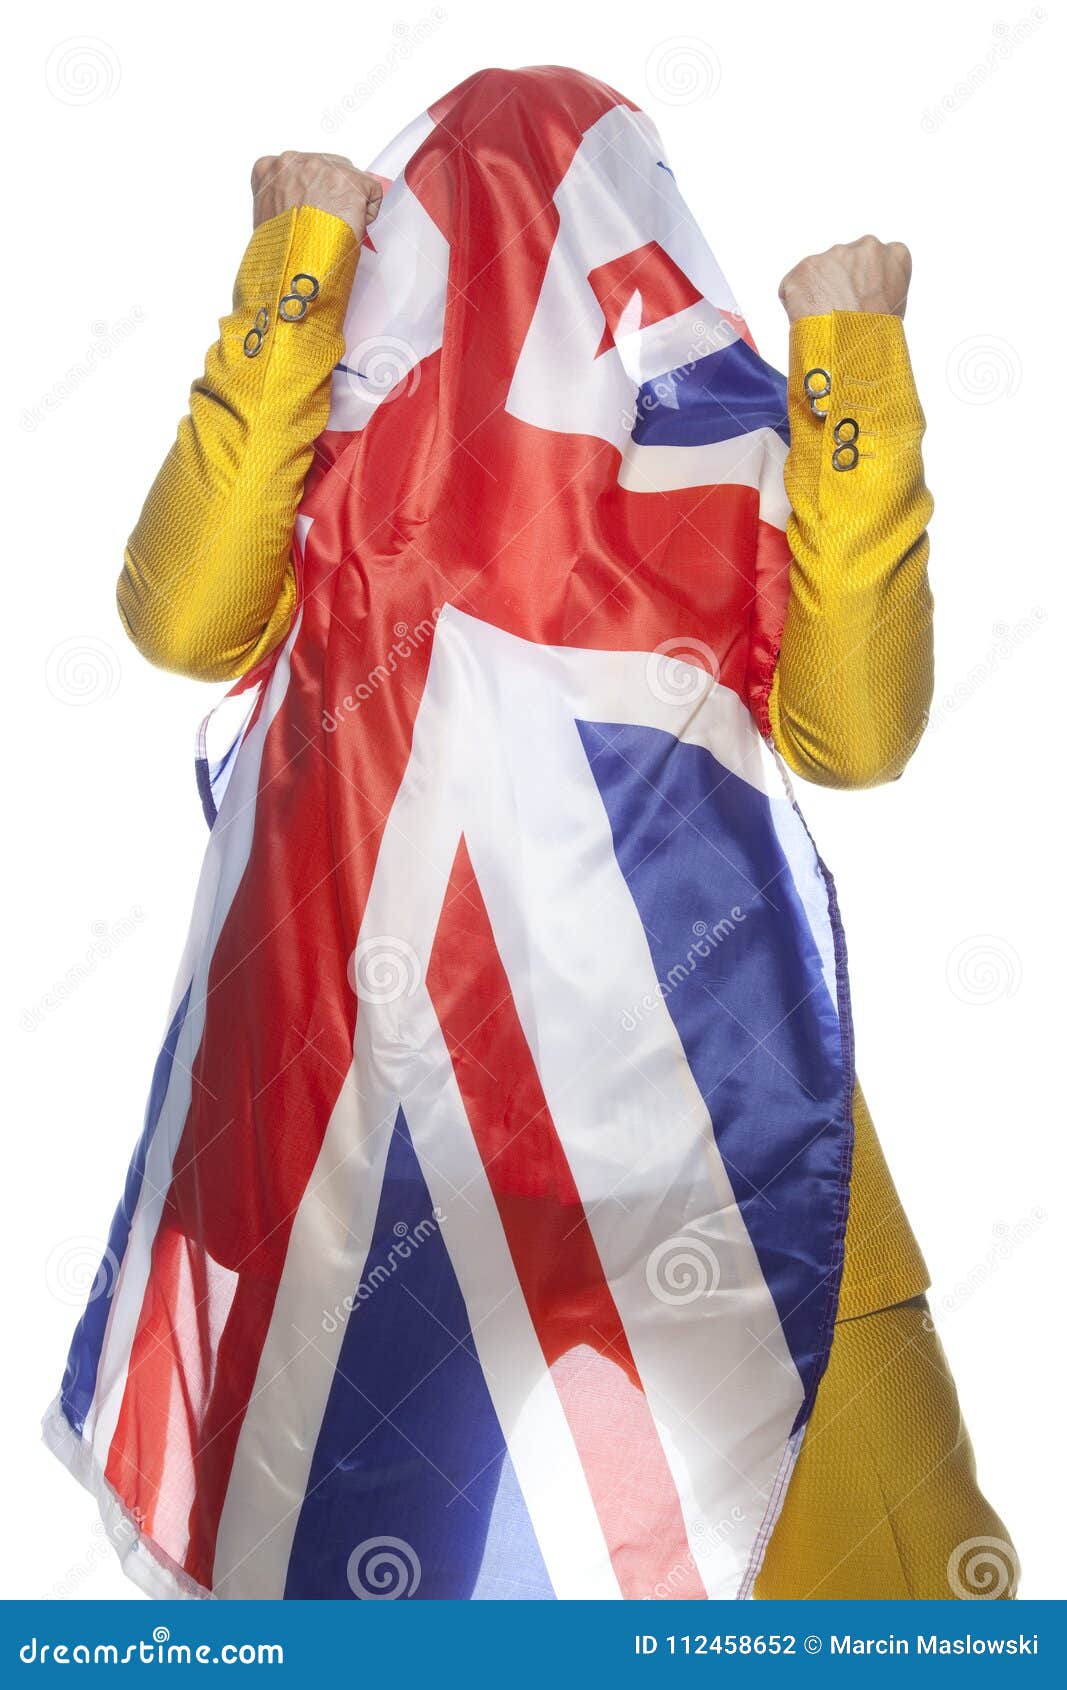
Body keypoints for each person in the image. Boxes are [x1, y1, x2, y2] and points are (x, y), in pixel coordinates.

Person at [46, 66, 1014, 1602]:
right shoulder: (336, 445)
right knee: (416, 1607)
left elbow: (856, 731)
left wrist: (853, 374)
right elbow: (180, 612)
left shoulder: (718, 440)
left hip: (713, 1148)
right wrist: (295, 286)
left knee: (876, 1606)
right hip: (401, 1175)